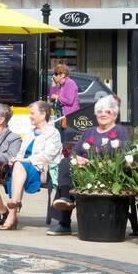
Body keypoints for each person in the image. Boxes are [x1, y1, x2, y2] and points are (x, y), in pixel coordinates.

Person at [48, 95, 129, 236]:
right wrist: (78, 159)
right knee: (66, 162)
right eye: (100, 111)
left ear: (115, 114)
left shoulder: (120, 131)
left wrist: (93, 162)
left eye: (108, 111)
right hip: (84, 171)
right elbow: (74, 153)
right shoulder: (89, 132)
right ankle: (66, 199)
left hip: (107, 172)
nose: (103, 114)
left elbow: (124, 154)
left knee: (69, 179)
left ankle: (64, 223)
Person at [0, 100, 63, 231]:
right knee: (18, 165)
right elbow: (22, 153)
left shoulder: (53, 133)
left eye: (32, 113)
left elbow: (48, 156)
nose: (30, 116)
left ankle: (13, 210)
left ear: (43, 114)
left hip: (42, 170)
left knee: (19, 167)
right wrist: (16, 159)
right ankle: (14, 209)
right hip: (24, 169)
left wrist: (27, 161)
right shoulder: (30, 133)